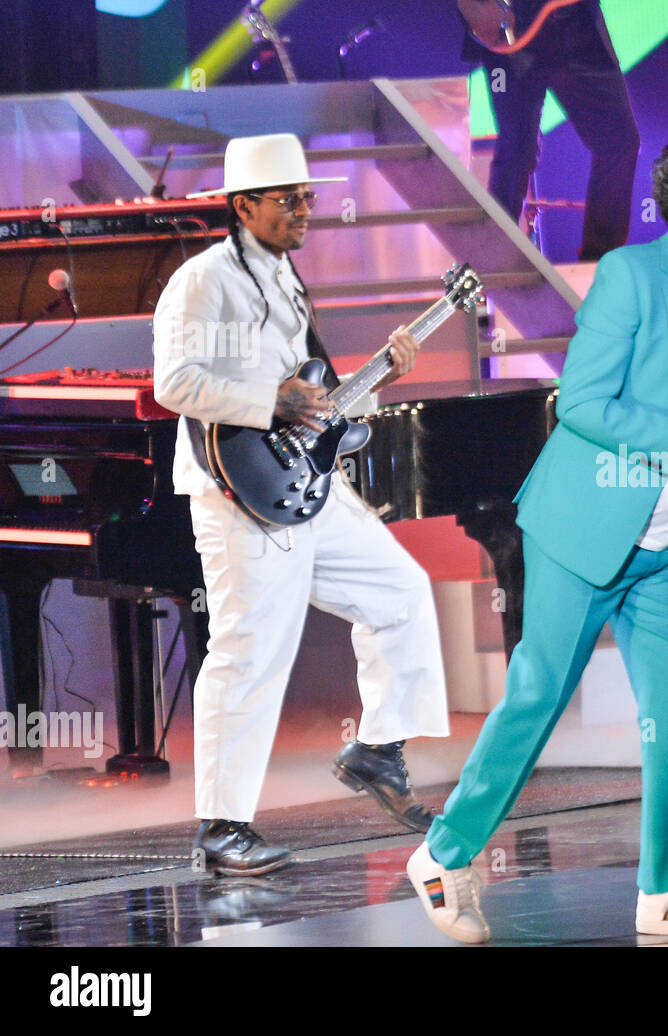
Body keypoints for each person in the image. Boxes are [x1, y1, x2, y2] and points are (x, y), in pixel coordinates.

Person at [406, 115, 668, 942]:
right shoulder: (632, 275)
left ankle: (664, 891)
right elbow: (585, 404)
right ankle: (444, 856)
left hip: (663, 543)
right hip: (584, 528)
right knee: (540, 693)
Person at [153, 134, 450, 875]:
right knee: (250, 653)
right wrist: (269, 401)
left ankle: (378, 750)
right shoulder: (201, 280)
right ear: (244, 204)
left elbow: (319, 404)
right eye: (290, 198)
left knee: (403, 592)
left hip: (304, 485)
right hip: (237, 490)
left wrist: (378, 379)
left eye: (308, 196)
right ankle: (222, 828)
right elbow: (174, 384)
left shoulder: (287, 279)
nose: (306, 209)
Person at [454, 0, 640, 261]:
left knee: (620, 142)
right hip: (508, 29)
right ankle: (493, 261)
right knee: (518, 149)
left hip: (579, 33)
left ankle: (599, 263)